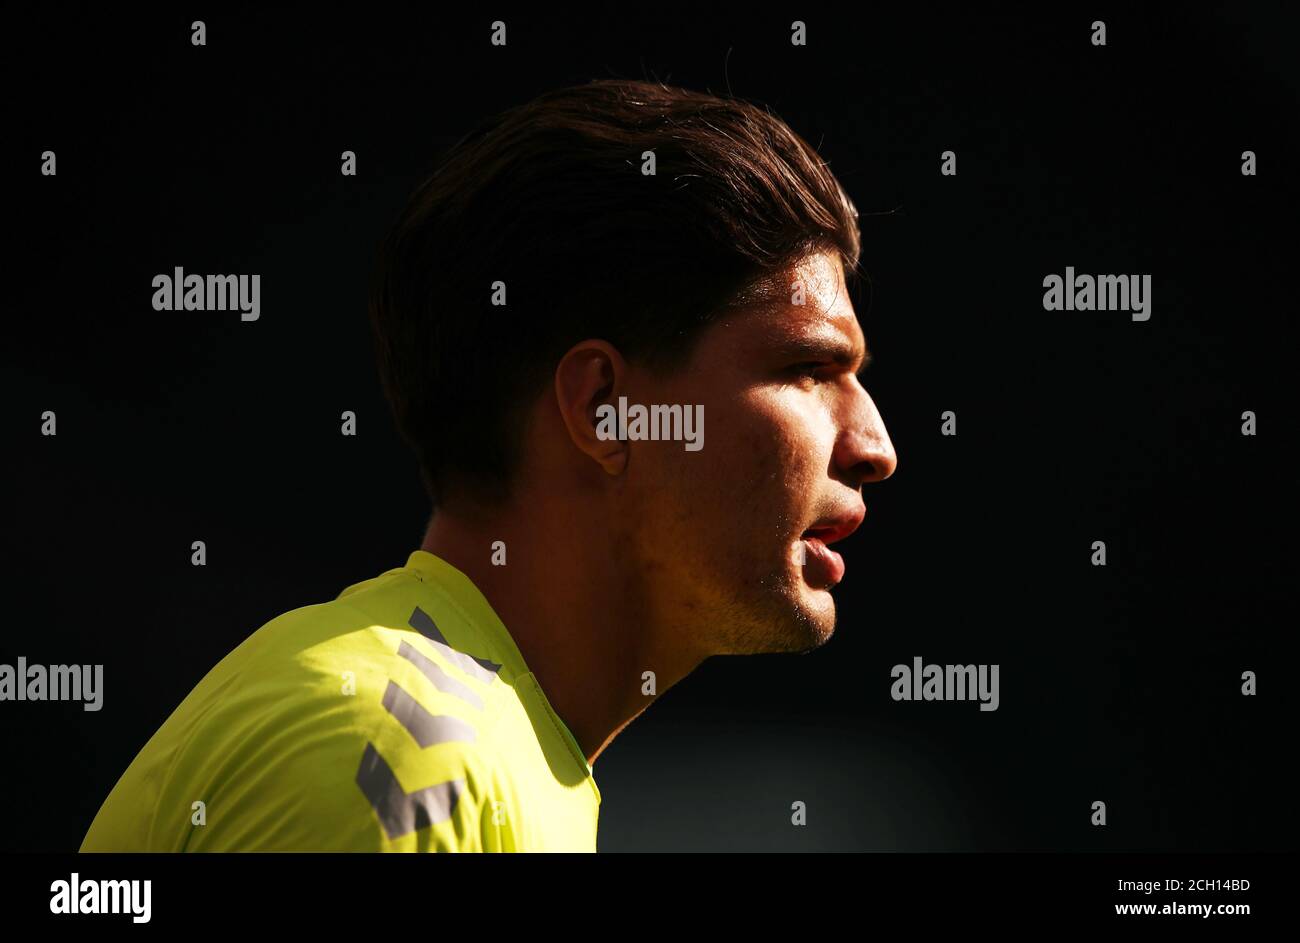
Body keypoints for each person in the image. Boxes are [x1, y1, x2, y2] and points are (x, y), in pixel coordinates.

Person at [79, 78, 897, 853]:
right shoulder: (401, 762)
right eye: (809, 368)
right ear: (604, 407)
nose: (875, 445)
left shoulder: (469, 746)